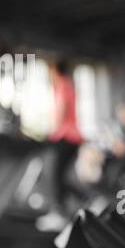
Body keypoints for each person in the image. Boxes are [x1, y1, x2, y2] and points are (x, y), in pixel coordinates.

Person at [47, 59, 83, 215]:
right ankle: (81, 200)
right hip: (74, 137)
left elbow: (60, 113)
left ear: (55, 70)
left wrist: (52, 129)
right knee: (62, 177)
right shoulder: (70, 85)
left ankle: (61, 211)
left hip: (65, 136)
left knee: (56, 177)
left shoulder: (62, 85)